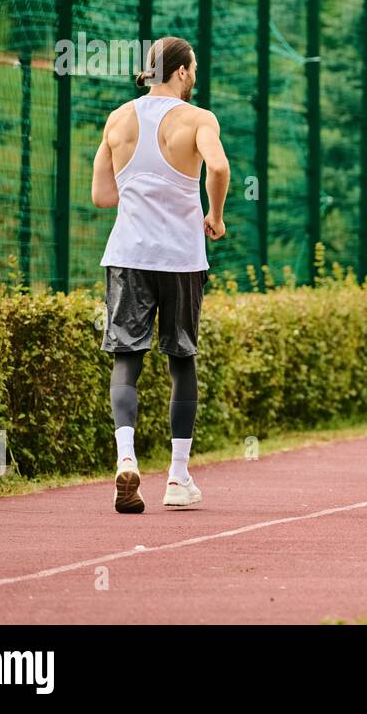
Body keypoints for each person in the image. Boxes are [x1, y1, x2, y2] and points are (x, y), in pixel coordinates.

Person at [91, 36, 229, 514]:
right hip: (181, 259)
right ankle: (177, 477)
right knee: (181, 359)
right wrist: (215, 214)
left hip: (128, 255)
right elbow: (219, 165)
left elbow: (103, 197)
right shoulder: (199, 119)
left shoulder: (118, 119)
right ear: (183, 72)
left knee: (126, 358)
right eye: (195, 68)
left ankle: (126, 459)